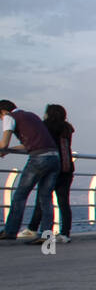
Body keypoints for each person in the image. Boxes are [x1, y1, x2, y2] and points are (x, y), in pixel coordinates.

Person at [0, 99, 60, 245]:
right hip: (54, 157)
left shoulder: (9, 117)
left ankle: (10, 231)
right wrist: (10, 150)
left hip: (39, 158)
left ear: (3, 112)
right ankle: (46, 235)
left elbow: (3, 143)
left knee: (20, 195)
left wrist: (4, 149)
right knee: (45, 198)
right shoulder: (31, 116)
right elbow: (30, 142)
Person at [24, 105, 76, 242]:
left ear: (48, 114)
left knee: (43, 198)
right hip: (67, 168)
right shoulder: (67, 128)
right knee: (64, 202)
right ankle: (65, 234)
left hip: (51, 166)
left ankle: (33, 229)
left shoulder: (45, 127)